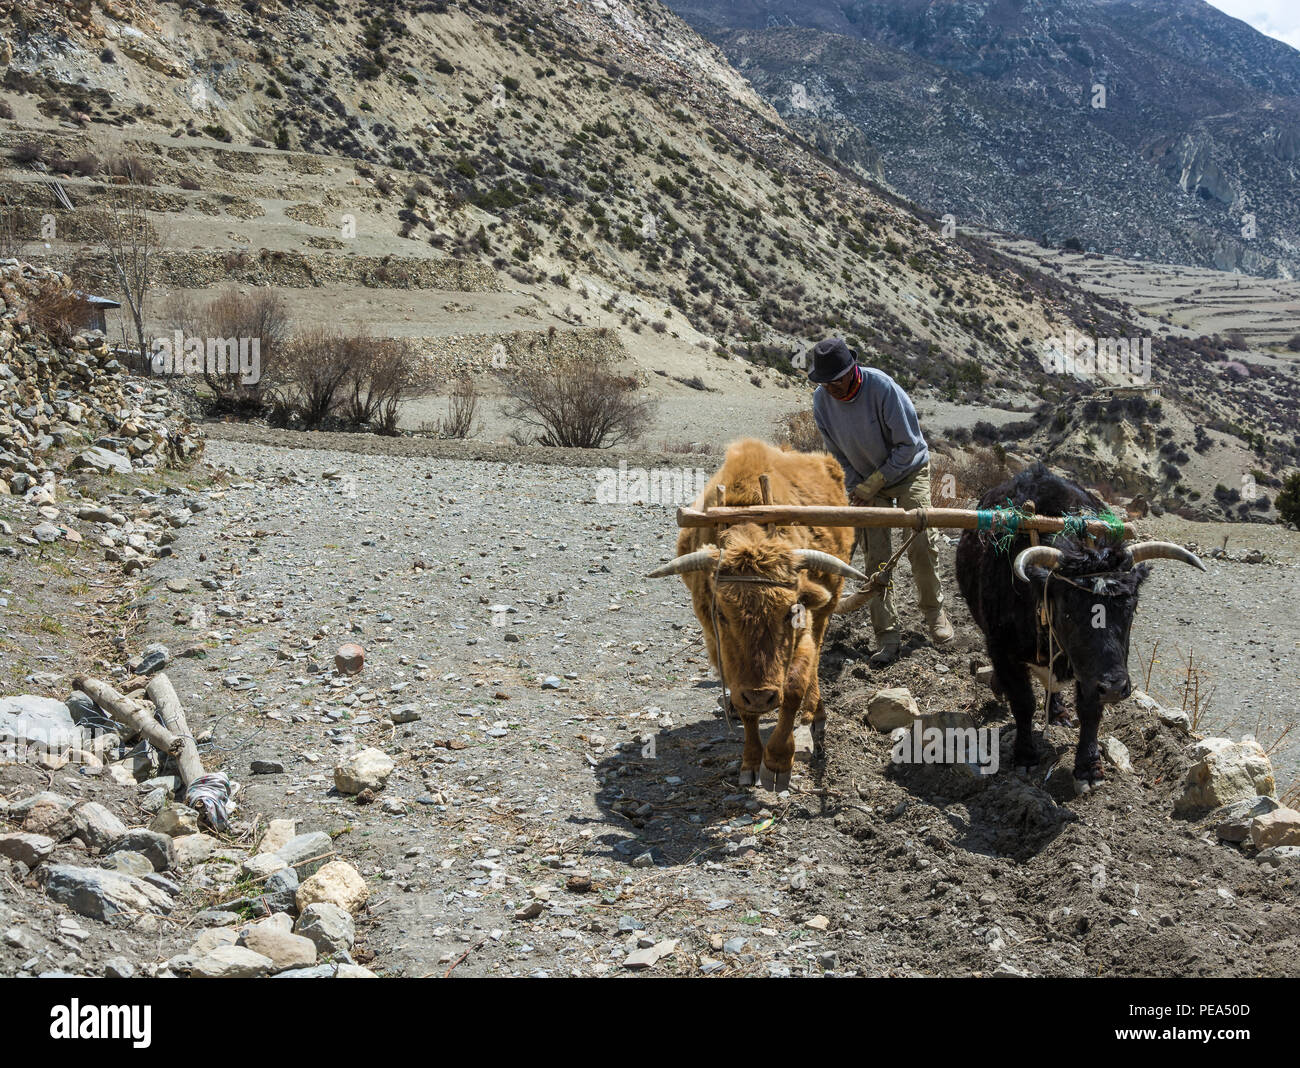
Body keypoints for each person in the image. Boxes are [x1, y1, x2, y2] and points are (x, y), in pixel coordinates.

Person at [806, 336, 953, 667]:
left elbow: (908, 445)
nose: (832, 388)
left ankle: (934, 613)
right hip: (865, 481)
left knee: (920, 541)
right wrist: (858, 487)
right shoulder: (821, 402)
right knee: (876, 559)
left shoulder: (881, 388)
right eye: (825, 383)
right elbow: (839, 456)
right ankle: (887, 635)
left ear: (852, 370)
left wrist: (876, 482)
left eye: (837, 381)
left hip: (907, 472)